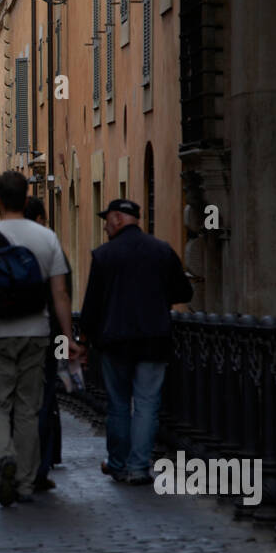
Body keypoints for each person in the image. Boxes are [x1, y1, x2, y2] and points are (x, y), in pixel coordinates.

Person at [0, 171, 82, 507]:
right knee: (29, 409)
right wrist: (67, 336)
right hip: (37, 333)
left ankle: (3, 459)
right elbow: (60, 293)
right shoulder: (47, 238)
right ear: (27, 197)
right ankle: (27, 482)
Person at [80, 198, 194, 484]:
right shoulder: (162, 250)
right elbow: (184, 292)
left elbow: (91, 306)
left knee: (118, 404)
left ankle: (118, 463)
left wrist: (83, 341)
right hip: (154, 338)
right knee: (146, 403)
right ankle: (139, 467)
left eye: (107, 220)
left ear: (118, 219)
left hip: (115, 340)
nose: (105, 226)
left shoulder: (104, 255)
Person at [24, 196, 68, 492]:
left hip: (6, 335)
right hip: (47, 334)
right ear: (40, 217)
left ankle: (12, 462)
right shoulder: (50, 244)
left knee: (13, 402)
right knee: (43, 401)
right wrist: (67, 338)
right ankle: (39, 466)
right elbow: (63, 293)